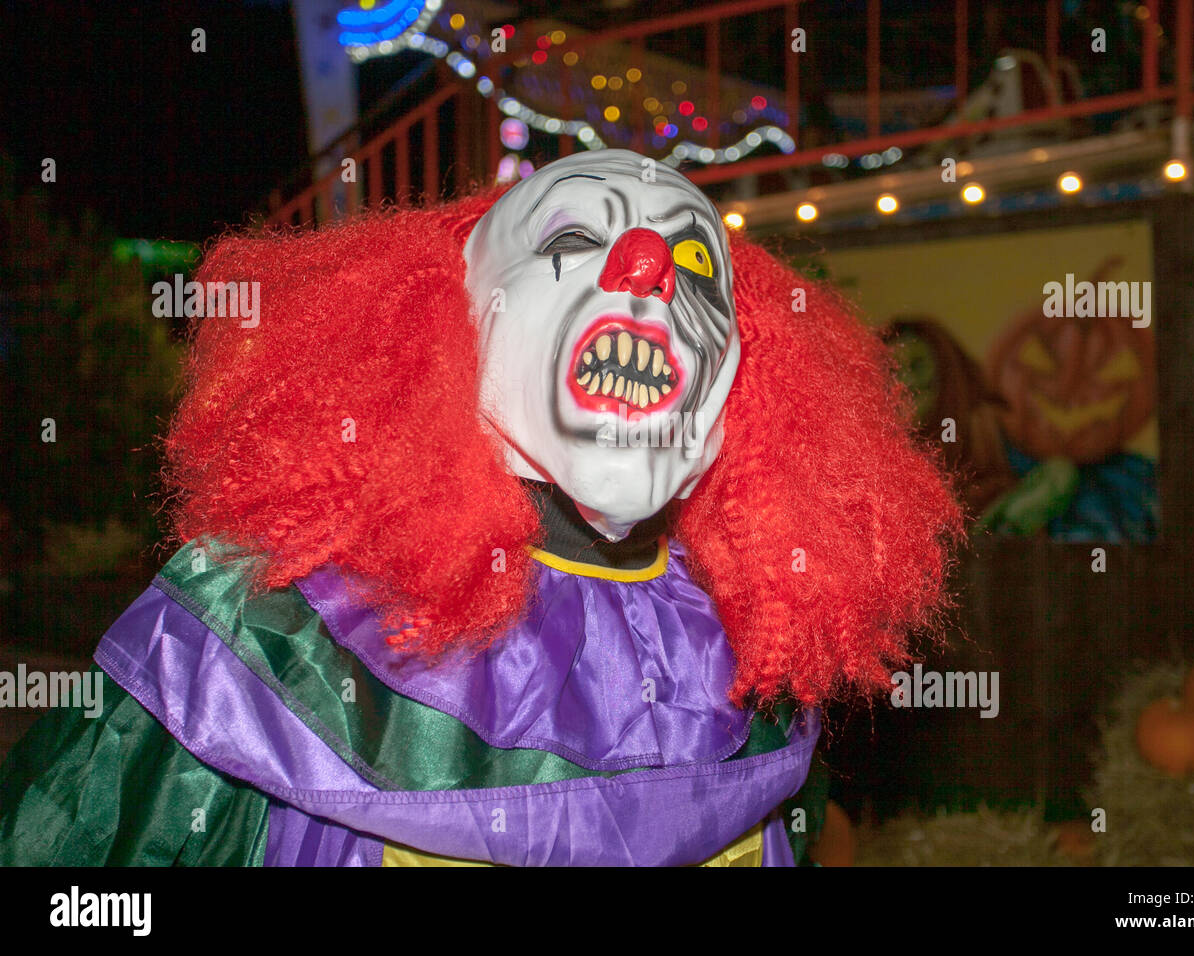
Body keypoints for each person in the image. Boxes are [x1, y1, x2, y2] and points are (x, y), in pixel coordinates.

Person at [0, 150, 959, 866]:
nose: (646, 272)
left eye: (695, 265)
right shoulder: (272, 633)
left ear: (741, 379)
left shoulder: (758, 666)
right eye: (575, 238)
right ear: (447, 323)